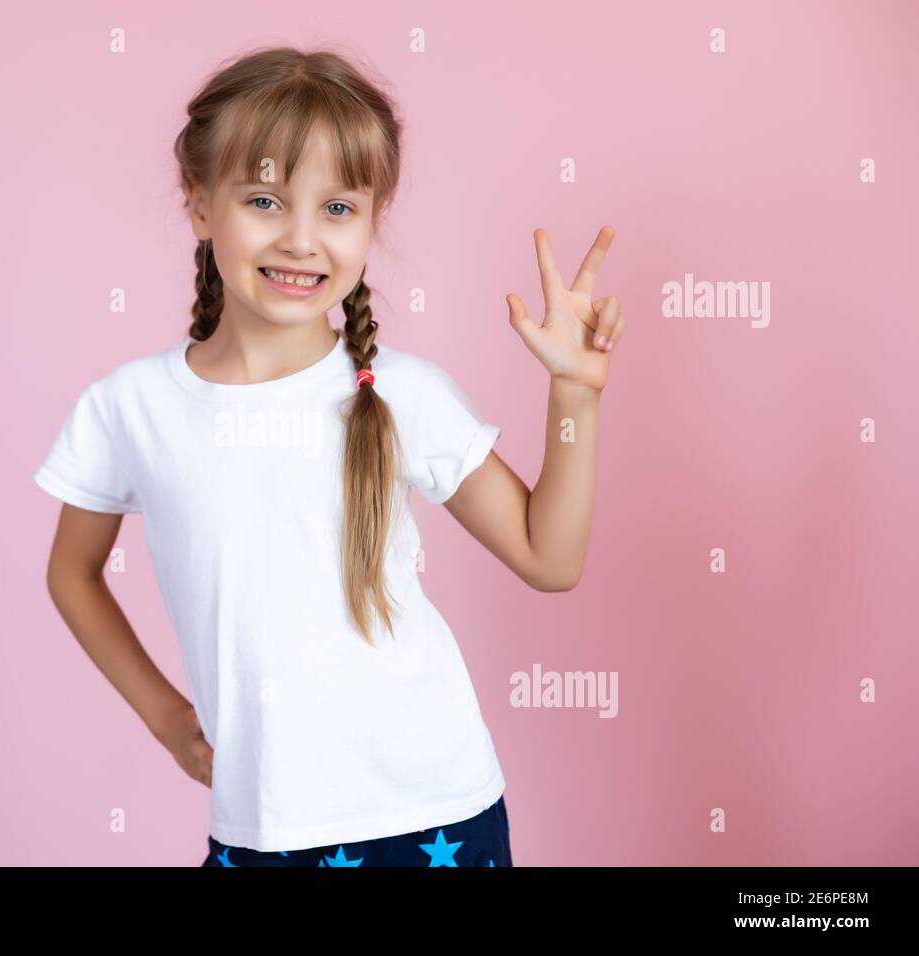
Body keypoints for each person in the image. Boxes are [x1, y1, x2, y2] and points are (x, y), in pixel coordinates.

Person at [34, 46, 626, 867]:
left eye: (338, 208)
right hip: (263, 826)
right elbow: (73, 571)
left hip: (439, 815)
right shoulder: (128, 408)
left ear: (373, 217)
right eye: (266, 199)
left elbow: (549, 558)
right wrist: (169, 721)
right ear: (200, 204)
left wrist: (574, 397)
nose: (302, 239)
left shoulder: (405, 392)